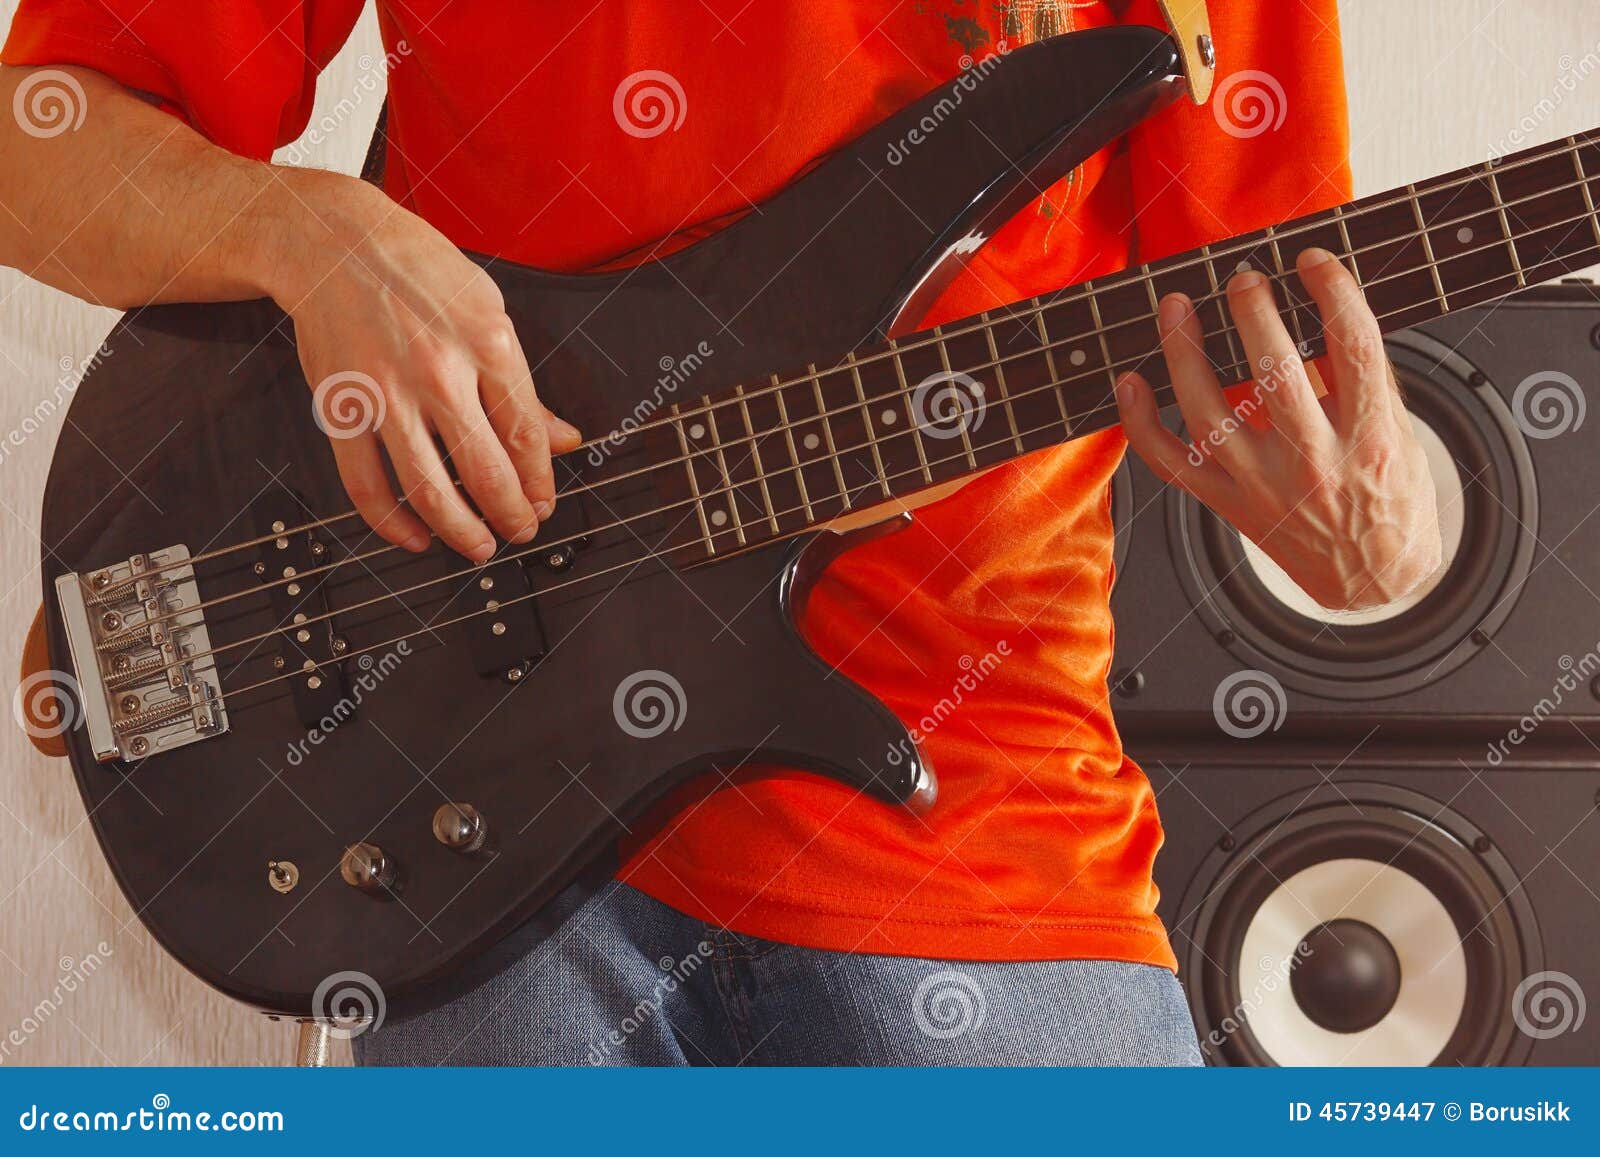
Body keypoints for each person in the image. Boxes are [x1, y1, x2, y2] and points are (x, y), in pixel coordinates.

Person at [0, 1, 1439, 1065]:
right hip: (468, 808)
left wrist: (1383, 546)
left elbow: (1307, 388)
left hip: (982, 828)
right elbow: (36, 138)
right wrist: (313, 238)